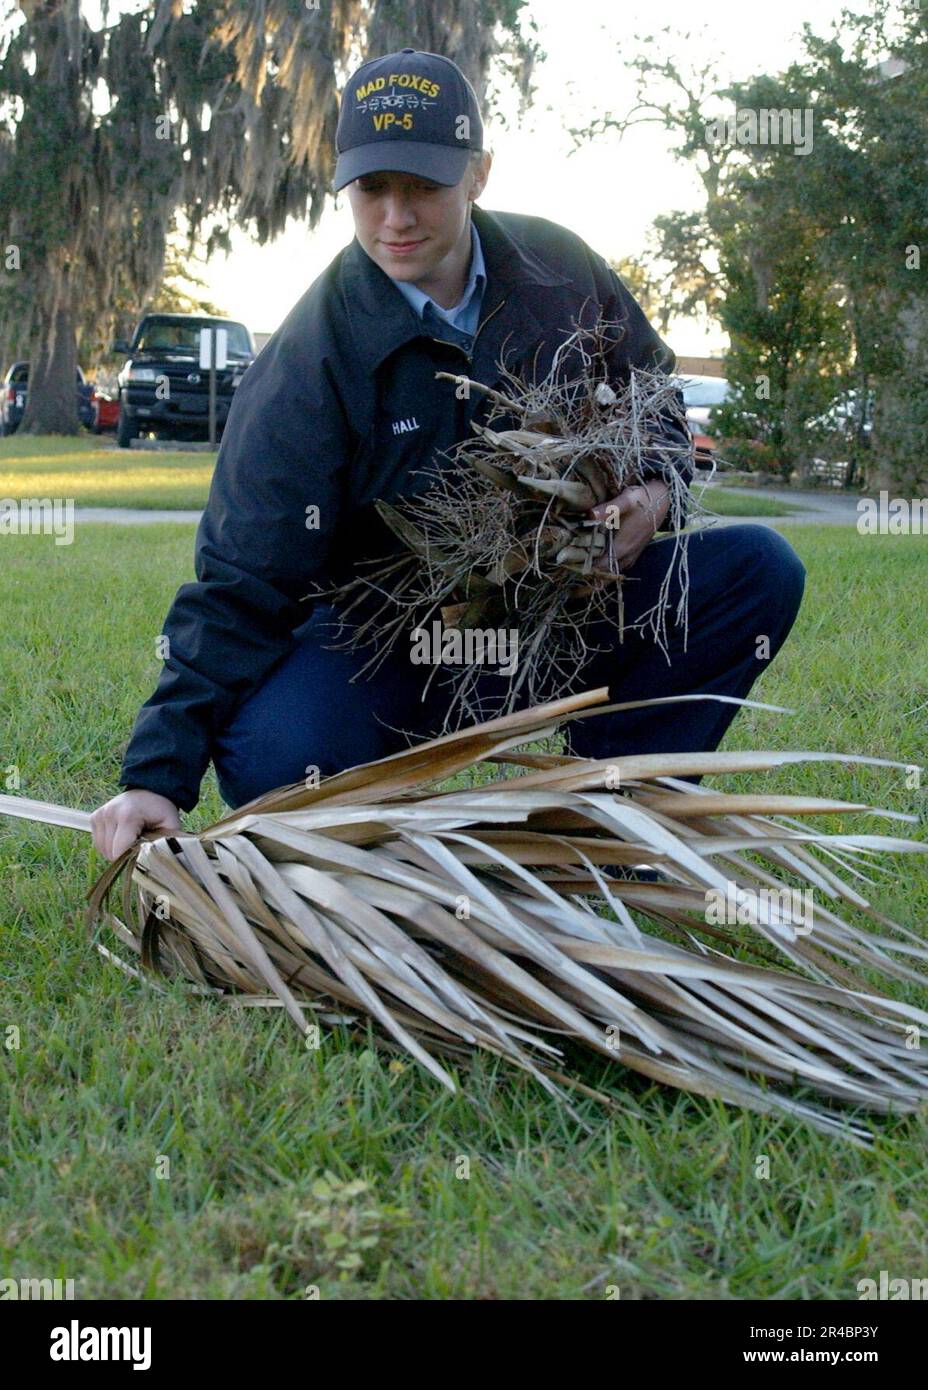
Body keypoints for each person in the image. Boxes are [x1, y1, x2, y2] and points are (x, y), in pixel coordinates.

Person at [90, 47, 806, 862]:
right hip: (396, 642)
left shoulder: (561, 271)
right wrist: (157, 773)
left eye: (424, 186)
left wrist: (651, 495)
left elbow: (660, 406)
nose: (396, 217)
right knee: (275, 759)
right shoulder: (309, 360)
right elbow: (239, 581)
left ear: (479, 173)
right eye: (371, 189)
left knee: (758, 570)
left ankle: (607, 815)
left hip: (563, 609)